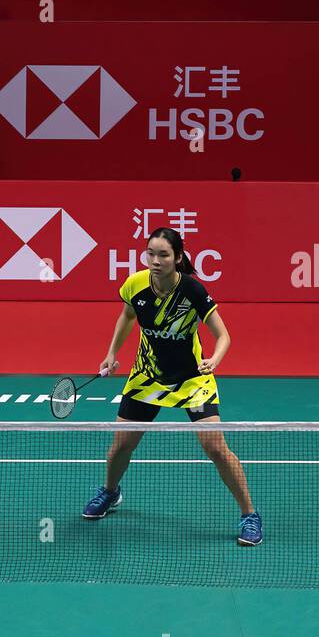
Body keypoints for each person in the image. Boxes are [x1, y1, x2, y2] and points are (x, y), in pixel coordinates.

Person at [83, 228, 262, 545]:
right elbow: (127, 315)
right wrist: (112, 353)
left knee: (215, 448)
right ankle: (110, 493)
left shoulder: (192, 290)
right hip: (147, 376)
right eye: (150, 253)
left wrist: (215, 359)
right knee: (121, 446)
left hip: (192, 379)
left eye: (163, 254)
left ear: (178, 257)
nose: (155, 260)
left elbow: (224, 335)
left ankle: (249, 514)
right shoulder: (135, 284)